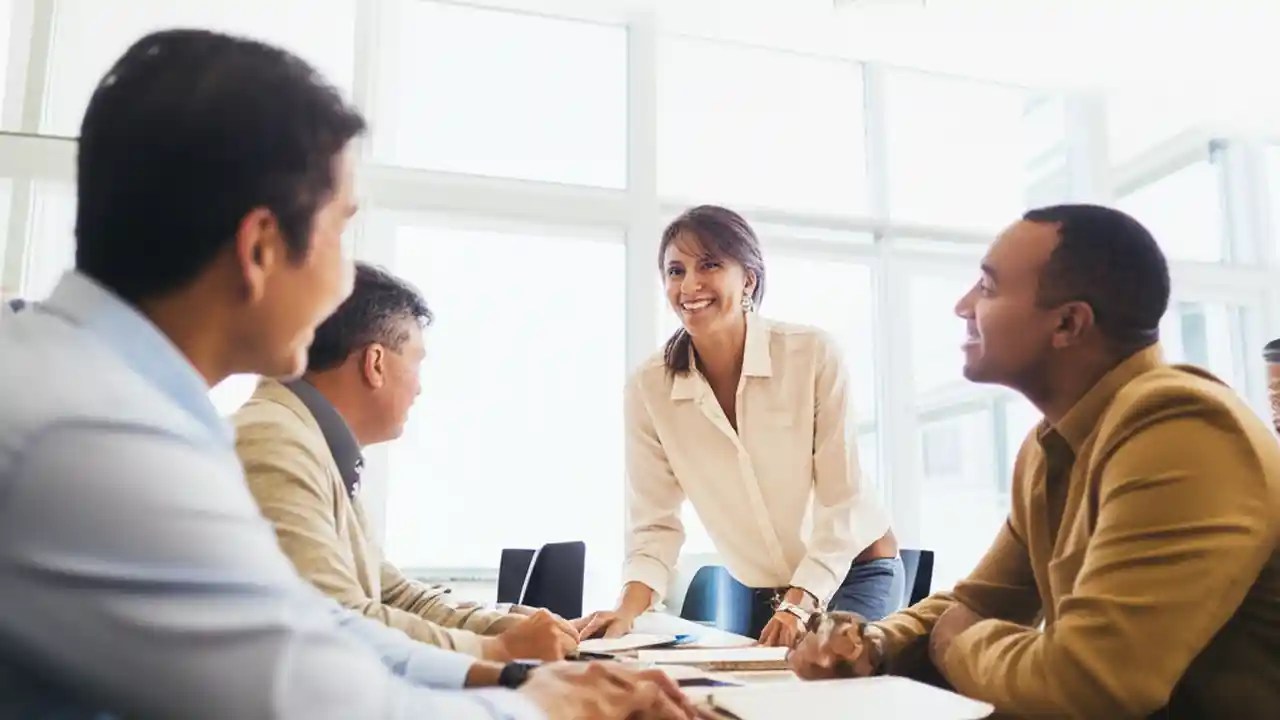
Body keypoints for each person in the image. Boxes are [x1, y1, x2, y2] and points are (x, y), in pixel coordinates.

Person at [0, 29, 694, 720]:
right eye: (338, 232)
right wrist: (549, 709)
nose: (342, 286)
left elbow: (309, 622)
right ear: (260, 249)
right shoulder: (96, 436)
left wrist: (507, 679)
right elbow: (311, 697)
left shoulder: (98, 390)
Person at [787, 204, 1280, 719]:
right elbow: (980, 600)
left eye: (987, 287)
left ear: (1068, 323)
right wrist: (871, 645)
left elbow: (1092, 683)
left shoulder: (1181, 428)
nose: (963, 306)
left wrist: (957, 644)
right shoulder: (1052, 445)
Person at [581, 205, 902, 647]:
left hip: (856, 570)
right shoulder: (648, 388)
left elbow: (840, 499)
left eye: (709, 265)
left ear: (748, 278)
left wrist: (800, 602)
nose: (689, 285)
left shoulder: (811, 355)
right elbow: (654, 528)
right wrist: (625, 611)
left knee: (829, 676)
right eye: (676, 271)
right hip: (769, 591)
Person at [234, 262, 578, 662]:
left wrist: (507, 624)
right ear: (375, 363)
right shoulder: (274, 441)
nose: (419, 387)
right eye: (416, 363)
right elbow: (334, 619)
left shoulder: (315, 444)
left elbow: (392, 595)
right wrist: (498, 649)